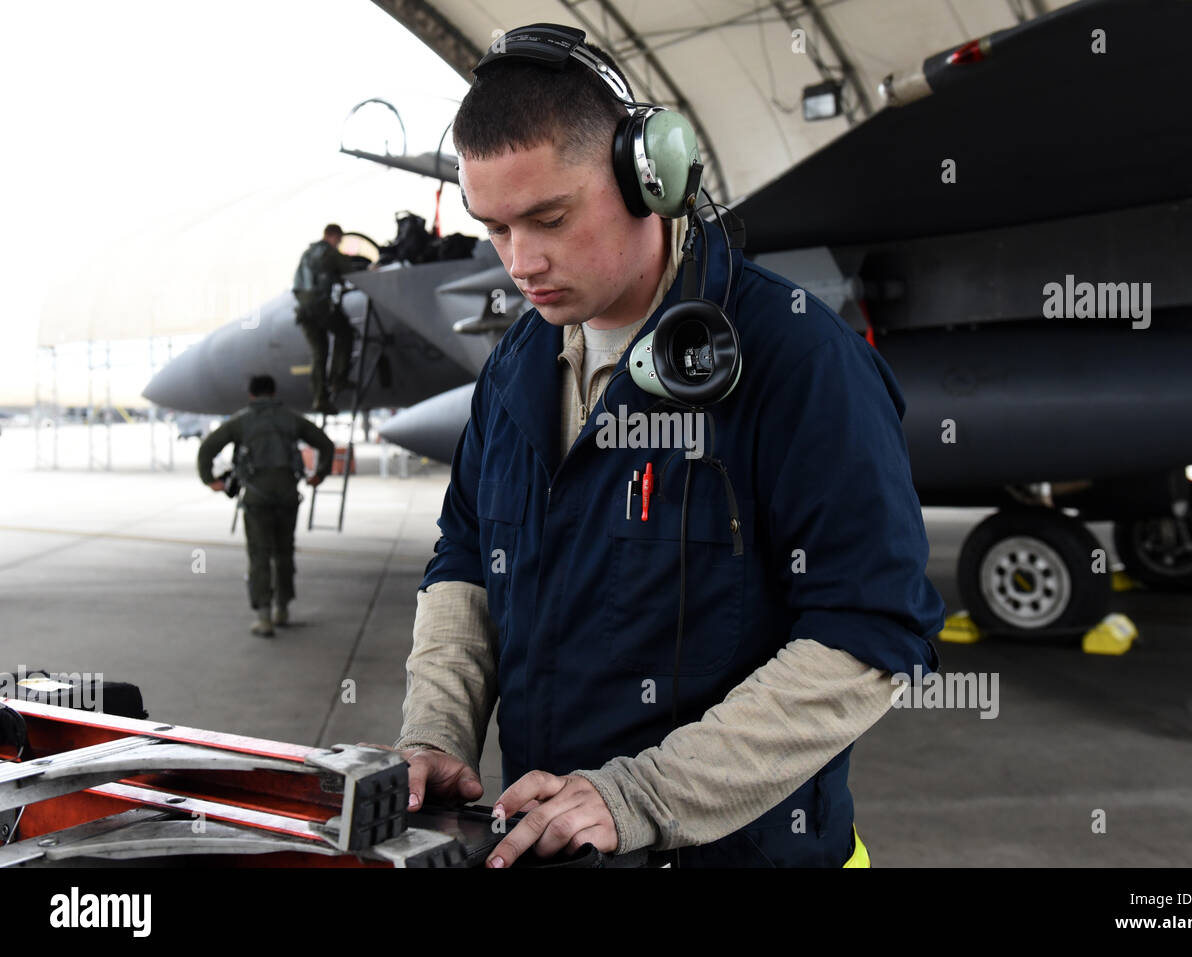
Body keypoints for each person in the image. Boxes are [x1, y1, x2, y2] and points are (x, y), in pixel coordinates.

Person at [395, 24, 945, 868]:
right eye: (496, 229)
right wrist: (436, 729)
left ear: (650, 175)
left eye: (549, 217)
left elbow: (869, 629)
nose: (523, 263)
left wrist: (645, 793)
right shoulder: (519, 365)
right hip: (556, 849)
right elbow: (466, 557)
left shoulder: (795, 357)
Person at [198, 375, 334, 637]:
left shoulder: (240, 421)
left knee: (260, 555)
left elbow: (207, 449)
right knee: (284, 552)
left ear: (251, 395)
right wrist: (320, 474)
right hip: (287, 496)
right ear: (273, 392)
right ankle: (282, 609)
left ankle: (264, 618)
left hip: (257, 498)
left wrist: (210, 480)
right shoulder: (291, 419)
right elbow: (325, 443)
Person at [293, 224, 361, 414]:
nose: (339, 243)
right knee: (345, 333)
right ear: (333, 236)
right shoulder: (329, 253)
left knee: (319, 354)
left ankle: (319, 398)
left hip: (304, 311)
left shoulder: (308, 254)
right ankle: (338, 379)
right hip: (321, 307)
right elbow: (350, 271)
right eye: (338, 240)